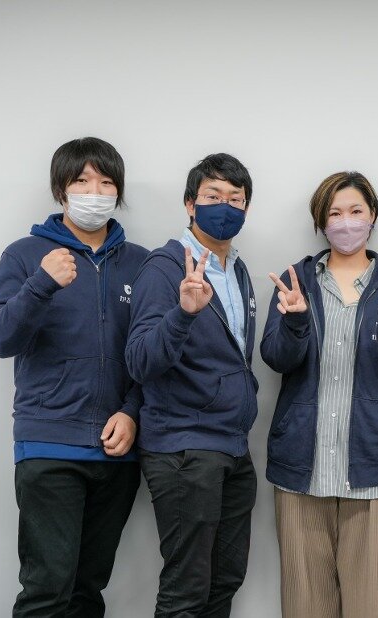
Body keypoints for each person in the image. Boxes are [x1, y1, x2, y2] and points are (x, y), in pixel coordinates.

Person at [0, 136, 147, 617]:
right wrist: (41, 283)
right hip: (49, 446)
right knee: (47, 590)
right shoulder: (25, 254)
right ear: (61, 190)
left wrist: (132, 412)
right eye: (81, 181)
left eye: (106, 182)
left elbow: (151, 353)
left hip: (117, 451)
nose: (95, 192)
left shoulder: (141, 262)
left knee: (87, 591)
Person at [261, 171, 378, 618]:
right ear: (321, 221)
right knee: (304, 608)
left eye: (356, 211)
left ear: (372, 216)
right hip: (302, 470)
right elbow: (275, 358)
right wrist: (295, 322)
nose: (346, 222)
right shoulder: (295, 280)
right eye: (335, 213)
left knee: (371, 608)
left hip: (376, 470)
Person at [125, 153, 258, 617]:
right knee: (186, 590)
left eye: (235, 199)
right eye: (213, 196)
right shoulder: (164, 268)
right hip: (185, 447)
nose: (225, 206)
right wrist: (182, 314)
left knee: (224, 582)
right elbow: (140, 361)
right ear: (189, 204)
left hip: (232, 447)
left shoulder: (237, 270)